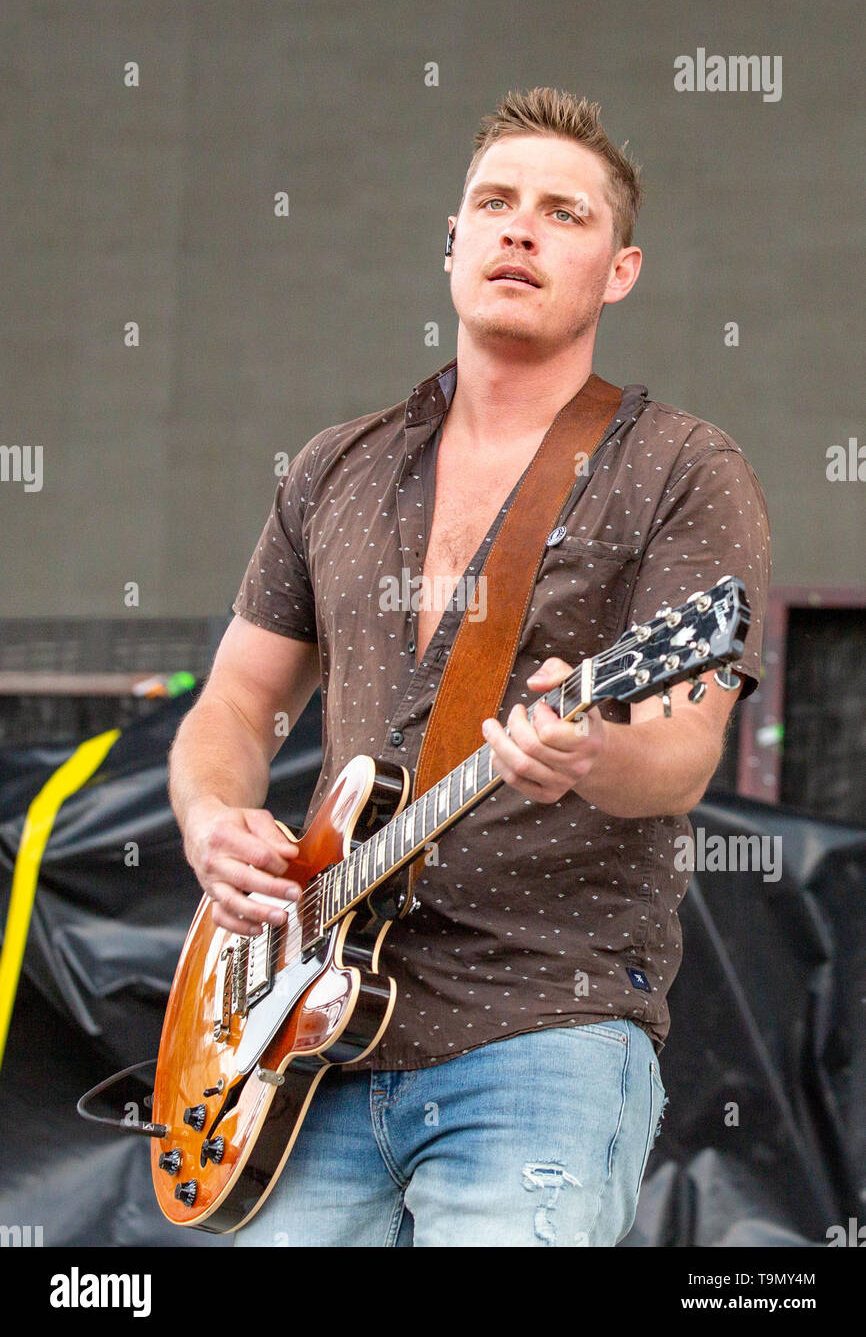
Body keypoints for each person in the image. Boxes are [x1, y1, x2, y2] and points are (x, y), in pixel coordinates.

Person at [168, 87, 770, 1247]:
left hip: (543, 1029)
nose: (519, 229)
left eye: (563, 212)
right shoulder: (331, 468)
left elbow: (683, 755)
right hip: (303, 1042)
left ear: (620, 268)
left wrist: (592, 749)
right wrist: (207, 814)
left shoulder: (682, 469)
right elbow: (237, 702)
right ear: (450, 242)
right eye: (493, 203)